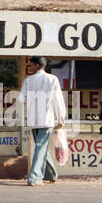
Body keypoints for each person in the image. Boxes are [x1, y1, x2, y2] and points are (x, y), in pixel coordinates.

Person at [19, 56, 67, 186]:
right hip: (47, 119)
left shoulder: (28, 80)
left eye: (31, 64)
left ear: (36, 65)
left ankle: (35, 177)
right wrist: (61, 118)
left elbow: (20, 99)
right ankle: (50, 174)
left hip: (33, 119)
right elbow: (57, 100)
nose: (29, 67)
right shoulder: (52, 80)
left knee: (40, 147)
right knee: (41, 147)